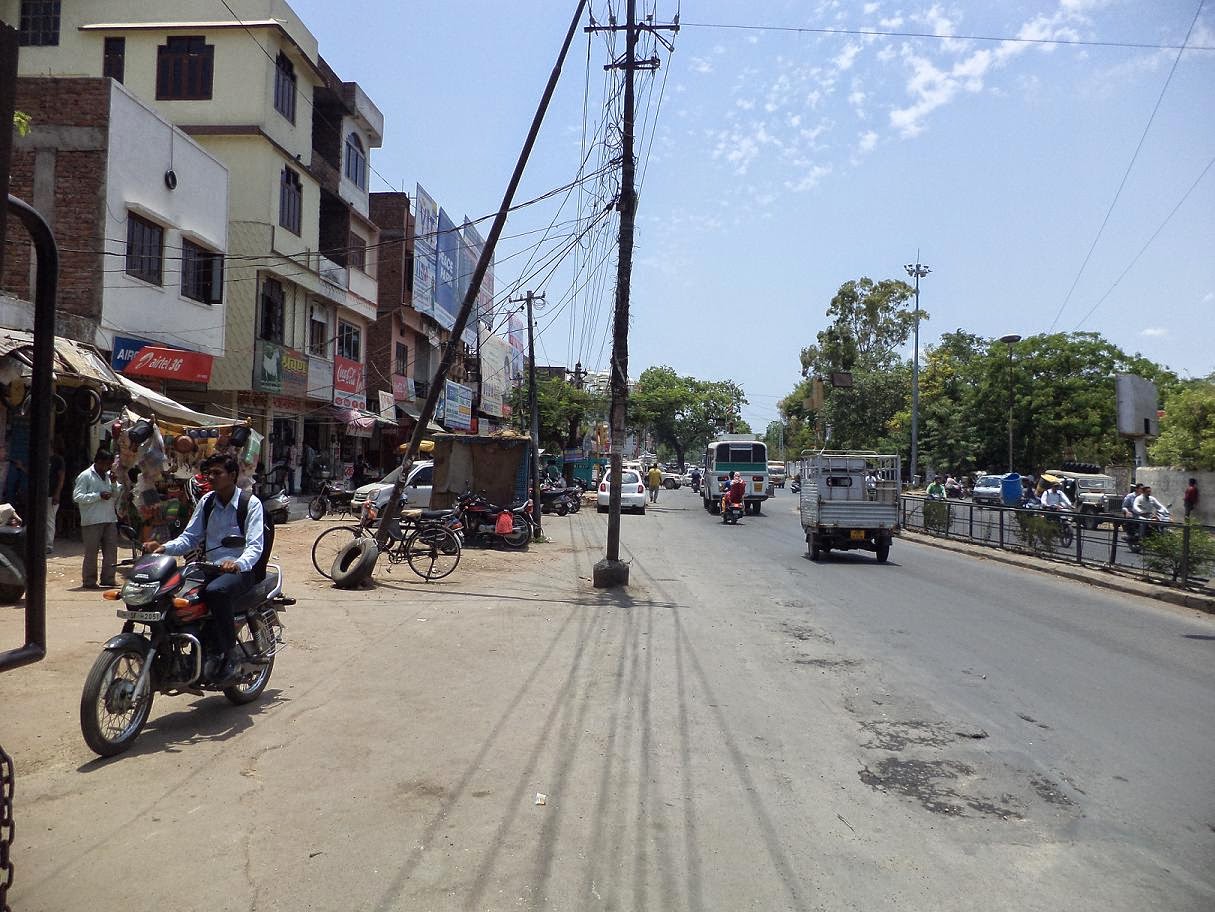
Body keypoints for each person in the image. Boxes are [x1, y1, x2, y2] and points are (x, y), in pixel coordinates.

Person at [143, 455, 265, 686]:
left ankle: (228, 654)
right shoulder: (207, 501)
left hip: (240, 571)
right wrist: (163, 548)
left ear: (232, 476)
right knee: (169, 592)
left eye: (217, 473)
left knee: (216, 592)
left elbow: (255, 546)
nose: (211, 477)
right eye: (209, 473)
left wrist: (237, 563)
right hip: (208, 567)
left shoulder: (251, 504)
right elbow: (190, 537)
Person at [72, 448, 119, 589]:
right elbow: (77, 497)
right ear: (98, 462)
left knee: (111, 551)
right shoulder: (85, 476)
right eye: (105, 465)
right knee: (91, 552)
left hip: (109, 518)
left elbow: (115, 494)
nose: (107, 468)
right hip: (92, 520)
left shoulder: (109, 476)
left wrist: (114, 484)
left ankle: (108, 579)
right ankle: (89, 581)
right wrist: (98, 495)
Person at [47, 443, 65, 554]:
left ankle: (48, 545)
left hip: (51, 494)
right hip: (42, 494)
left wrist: (57, 493)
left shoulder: (58, 460)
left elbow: (61, 478)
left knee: (49, 519)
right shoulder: (42, 458)